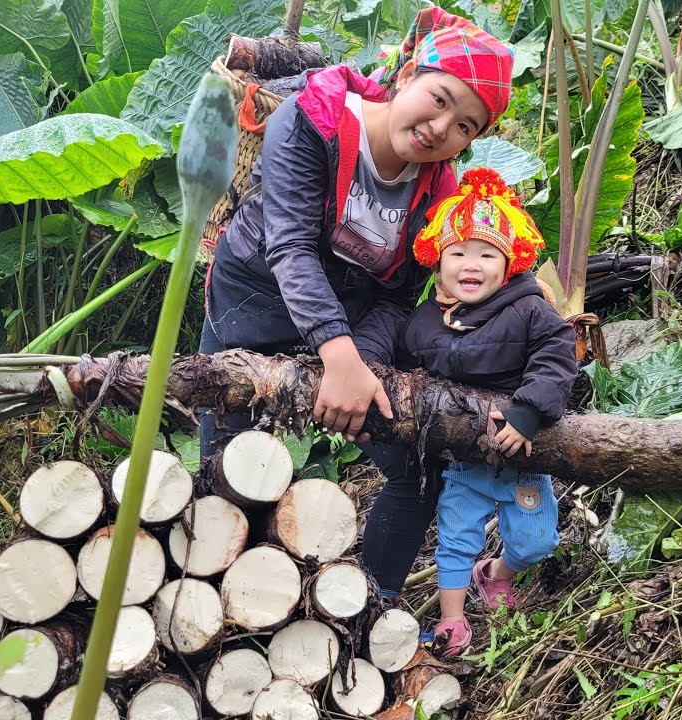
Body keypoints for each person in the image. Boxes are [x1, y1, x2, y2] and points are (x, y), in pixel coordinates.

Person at [199, 8, 516, 597]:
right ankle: (223, 613)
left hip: (343, 330)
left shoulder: (436, 191)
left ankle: (370, 612)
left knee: (418, 472)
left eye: (467, 125)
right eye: (440, 98)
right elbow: (288, 245)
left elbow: (397, 297)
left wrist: (360, 367)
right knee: (223, 478)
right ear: (406, 78)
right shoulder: (313, 119)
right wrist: (339, 356)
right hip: (249, 308)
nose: (441, 126)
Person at [397, 168, 579, 658]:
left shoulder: (529, 310)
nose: (470, 264)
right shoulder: (426, 319)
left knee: (536, 542)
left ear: (508, 262)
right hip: (463, 460)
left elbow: (557, 353)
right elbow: (404, 362)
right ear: (439, 261)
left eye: (486, 254)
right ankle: (452, 618)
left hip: (521, 459)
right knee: (455, 538)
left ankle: (495, 572)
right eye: (457, 253)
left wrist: (529, 412)